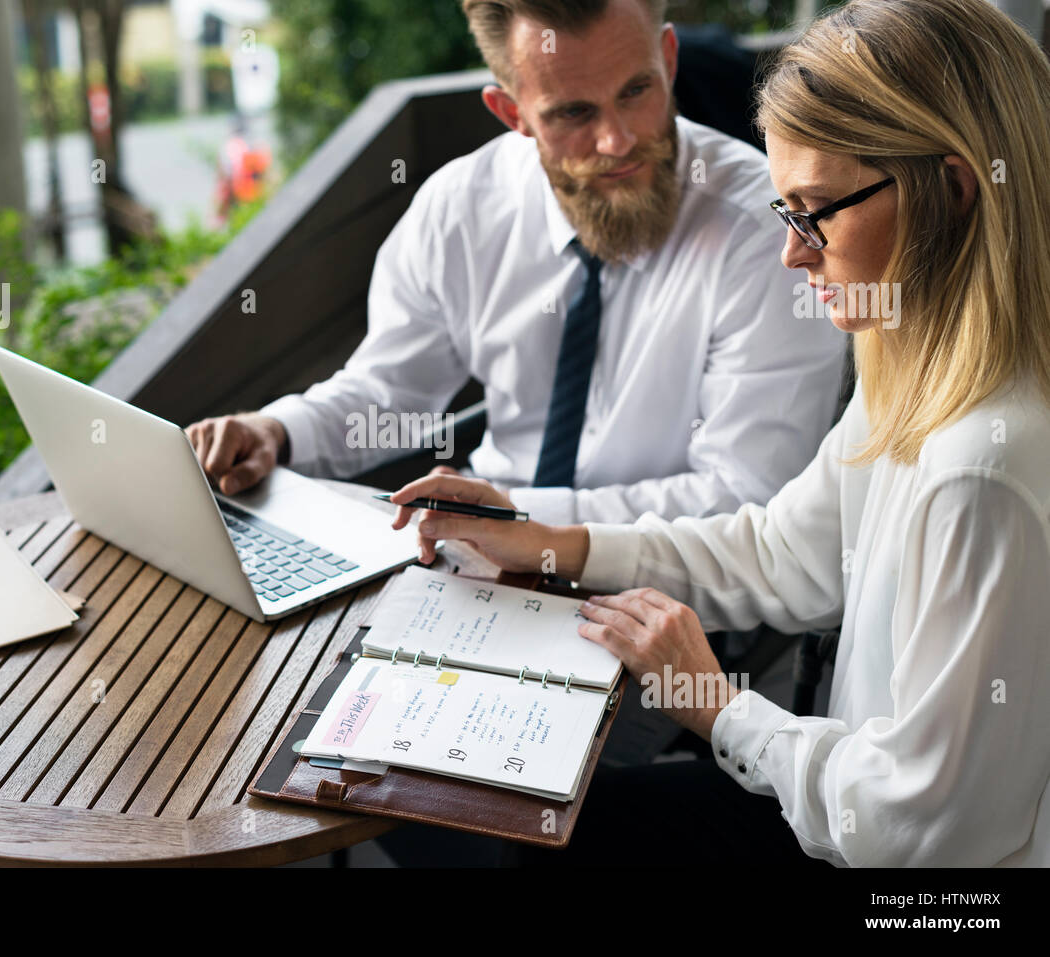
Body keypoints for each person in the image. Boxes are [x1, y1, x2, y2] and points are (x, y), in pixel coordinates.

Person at [386, 0, 1050, 866]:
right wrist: (558, 542)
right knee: (517, 829)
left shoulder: (983, 470)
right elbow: (785, 553)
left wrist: (717, 705)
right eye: (785, 211)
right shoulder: (920, 366)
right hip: (840, 801)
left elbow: (924, 828)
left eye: (816, 212)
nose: (793, 253)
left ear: (955, 190)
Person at [186, 0, 846, 529]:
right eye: (574, 114)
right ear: (511, 113)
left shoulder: (766, 232)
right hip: (475, 561)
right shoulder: (458, 208)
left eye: (636, 90)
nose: (617, 140)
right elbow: (390, 393)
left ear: (668, 60)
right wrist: (276, 430)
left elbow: (748, 498)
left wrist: (524, 520)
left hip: (666, 598)